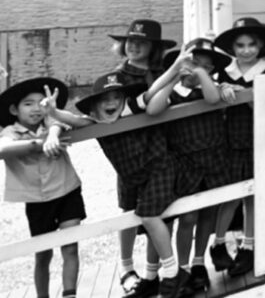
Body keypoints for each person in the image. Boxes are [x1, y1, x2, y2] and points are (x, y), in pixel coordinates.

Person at [45, 73, 192, 298]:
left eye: (116, 97)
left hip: (159, 167)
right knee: (143, 218)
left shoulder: (134, 107)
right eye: (104, 100)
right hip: (133, 177)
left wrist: (175, 72)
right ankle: (151, 278)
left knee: (151, 217)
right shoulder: (95, 121)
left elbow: (154, 91)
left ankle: (172, 272)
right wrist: (54, 112)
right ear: (93, 108)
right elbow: (72, 120)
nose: (111, 103)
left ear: (124, 99)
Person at [146, 39, 232, 294]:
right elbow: (152, 109)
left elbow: (213, 97)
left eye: (207, 66)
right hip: (186, 163)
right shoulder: (173, 91)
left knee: (208, 212)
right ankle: (182, 268)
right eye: (195, 63)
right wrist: (174, 77)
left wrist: (204, 74)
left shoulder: (211, 86)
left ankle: (198, 263)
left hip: (213, 158)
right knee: (188, 216)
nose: (198, 69)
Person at [107, 20, 175, 298]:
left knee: (158, 212)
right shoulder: (118, 76)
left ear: (153, 48)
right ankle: (125, 268)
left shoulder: (160, 72)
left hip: (160, 146)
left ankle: (151, 272)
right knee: (129, 210)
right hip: (129, 151)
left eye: (141, 42)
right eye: (130, 41)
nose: (133, 46)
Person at [0, 77, 82, 298]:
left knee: (70, 246)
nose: (36, 109)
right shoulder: (10, 132)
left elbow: (62, 123)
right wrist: (38, 144)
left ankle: (69, 294)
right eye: (28, 104)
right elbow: (3, 148)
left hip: (67, 190)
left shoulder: (51, 121)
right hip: (36, 200)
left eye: (41, 102)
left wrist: (53, 134)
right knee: (43, 254)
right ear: (14, 109)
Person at [210, 17, 265, 277]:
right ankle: (218, 243)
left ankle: (249, 246)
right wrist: (224, 87)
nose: (247, 50)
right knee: (230, 193)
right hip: (230, 138)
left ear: (260, 45)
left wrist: (245, 94)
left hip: (257, 136)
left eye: (252, 44)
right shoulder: (225, 71)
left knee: (253, 193)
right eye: (240, 45)